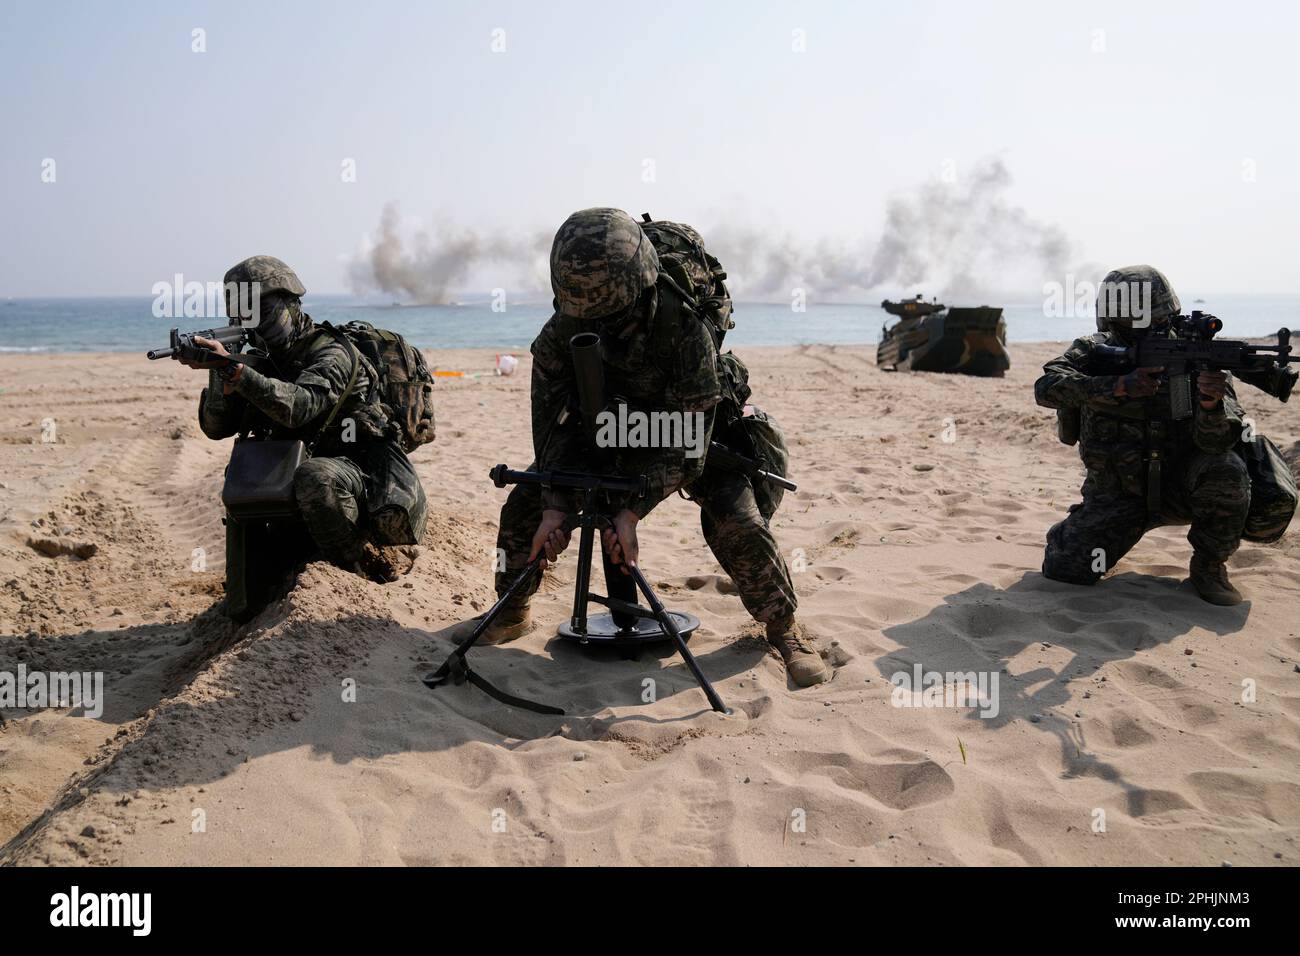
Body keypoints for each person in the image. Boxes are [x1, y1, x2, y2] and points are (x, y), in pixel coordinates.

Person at [481, 208, 830, 686]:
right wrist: (555, 504)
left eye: (611, 311)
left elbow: (691, 442)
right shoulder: (559, 332)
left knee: (737, 520)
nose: (598, 320)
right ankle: (511, 612)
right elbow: (551, 431)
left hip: (681, 433)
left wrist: (631, 511)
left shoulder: (683, 328)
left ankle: (784, 628)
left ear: (638, 287)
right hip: (605, 428)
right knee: (524, 505)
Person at [180, 255, 428, 612]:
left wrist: (237, 373)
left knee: (315, 476)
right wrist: (219, 371)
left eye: (260, 310)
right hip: (296, 476)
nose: (251, 323)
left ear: (290, 303)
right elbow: (216, 428)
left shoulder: (332, 351)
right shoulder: (262, 358)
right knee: (242, 475)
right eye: (242, 315)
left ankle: (358, 565)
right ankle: (250, 594)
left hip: (358, 474)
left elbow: (298, 407)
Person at [1035, 264, 1266, 604]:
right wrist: (1116, 386)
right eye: (1142, 321)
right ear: (1116, 319)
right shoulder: (1094, 350)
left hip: (1179, 488)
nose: (1155, 327)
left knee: (1227, 469)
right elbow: (1046, 388)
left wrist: (1210, 403)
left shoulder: (1195, 353)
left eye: (1160, 319)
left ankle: (1209, 566)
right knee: (1066, 570)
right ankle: (1075, 529)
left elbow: (1216, 443)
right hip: (1119, 494)